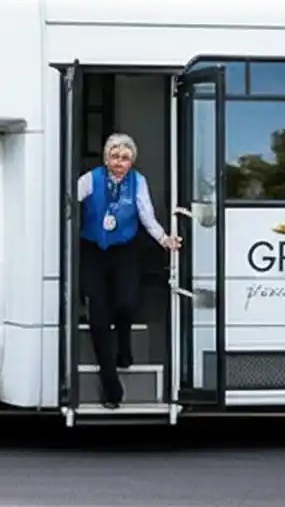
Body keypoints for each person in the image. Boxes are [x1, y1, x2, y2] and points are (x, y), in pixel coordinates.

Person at [77, 132, 181, 408]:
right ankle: (111, 387)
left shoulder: (138, 181)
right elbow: (67, 202)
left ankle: (124, 342)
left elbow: (147, 216)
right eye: (114, 156)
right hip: (92, 251)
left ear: (131, 161)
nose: (119, 162)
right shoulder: (91, 179)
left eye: (125, 158)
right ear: (106, 158)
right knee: (98, 316)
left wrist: (164, 239)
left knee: (126, 302)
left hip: (124, 250)